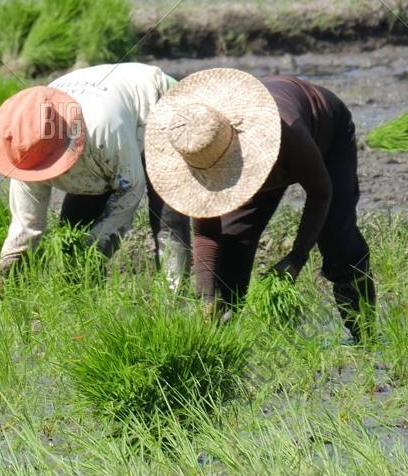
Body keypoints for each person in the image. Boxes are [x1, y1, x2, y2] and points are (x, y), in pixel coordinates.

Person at [144, 68, 377, 342]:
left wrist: (296, 258)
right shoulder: (205, 152)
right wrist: (207, 296)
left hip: (326, 134)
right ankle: (220, 339)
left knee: (337, 238)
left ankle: (366, 337)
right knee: (231, 245)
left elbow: (320, 191)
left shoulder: (286, 132)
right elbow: (207, 232)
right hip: (253, 155)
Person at [0, 62, 191, 296]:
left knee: (166, 215)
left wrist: (94, 246)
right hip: (103, 131)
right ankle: (81, 298)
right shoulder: (27, 148)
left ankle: (174, 298)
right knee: (73, 227)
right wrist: (1, 276)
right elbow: (25, 227)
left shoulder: (102, 129)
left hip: (157, 103)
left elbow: (130, 191)